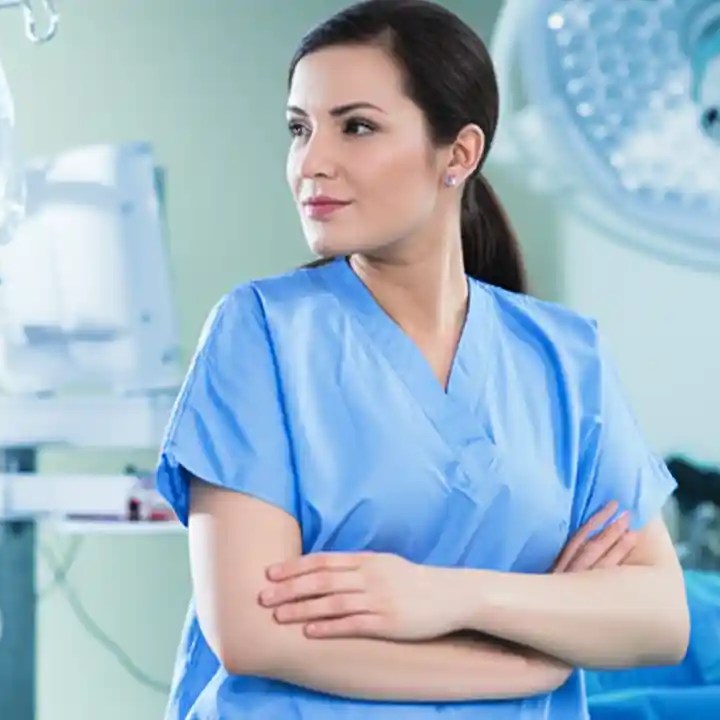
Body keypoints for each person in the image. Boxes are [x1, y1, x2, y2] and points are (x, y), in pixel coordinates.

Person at [152, 1, 690, 718]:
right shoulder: (262, 334)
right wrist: (528, 660)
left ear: (459, 154)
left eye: (358, 126)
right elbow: (252, 634)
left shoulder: (565, 358)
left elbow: (659, 617)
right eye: (298, 129)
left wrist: (446, 595)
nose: (311, 162)